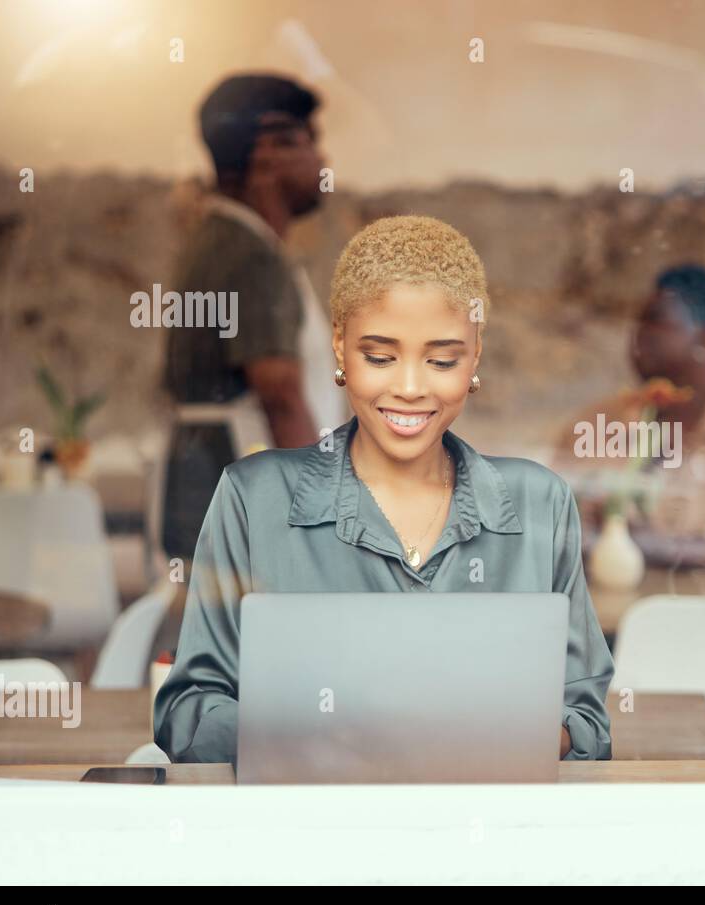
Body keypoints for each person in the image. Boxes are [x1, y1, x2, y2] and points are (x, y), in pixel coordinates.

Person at [155, 215, 614, 764]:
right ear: (339, 348)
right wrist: (336, 739)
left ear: (476, 357)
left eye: (442, 360)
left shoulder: (540, 505)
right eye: (379, 357)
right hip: (312, 834)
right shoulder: (255, 500)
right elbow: (187, 714)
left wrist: (494, 738)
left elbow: (586, 722)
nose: (411, 387)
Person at [161, 73, 346, 563]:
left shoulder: (221, 238)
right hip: (249, 510)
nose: (323, 161)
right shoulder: (249, 254)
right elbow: (280, 396)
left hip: (212, 495)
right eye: (313, 141)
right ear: (270, 148)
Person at [555, 265, 705, 577]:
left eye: (655, 321)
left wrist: (652, 547)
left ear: (704, 341)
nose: (637, 334)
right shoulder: (596, 423)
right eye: (639, 320)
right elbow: (554, 524)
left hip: (704, 620)